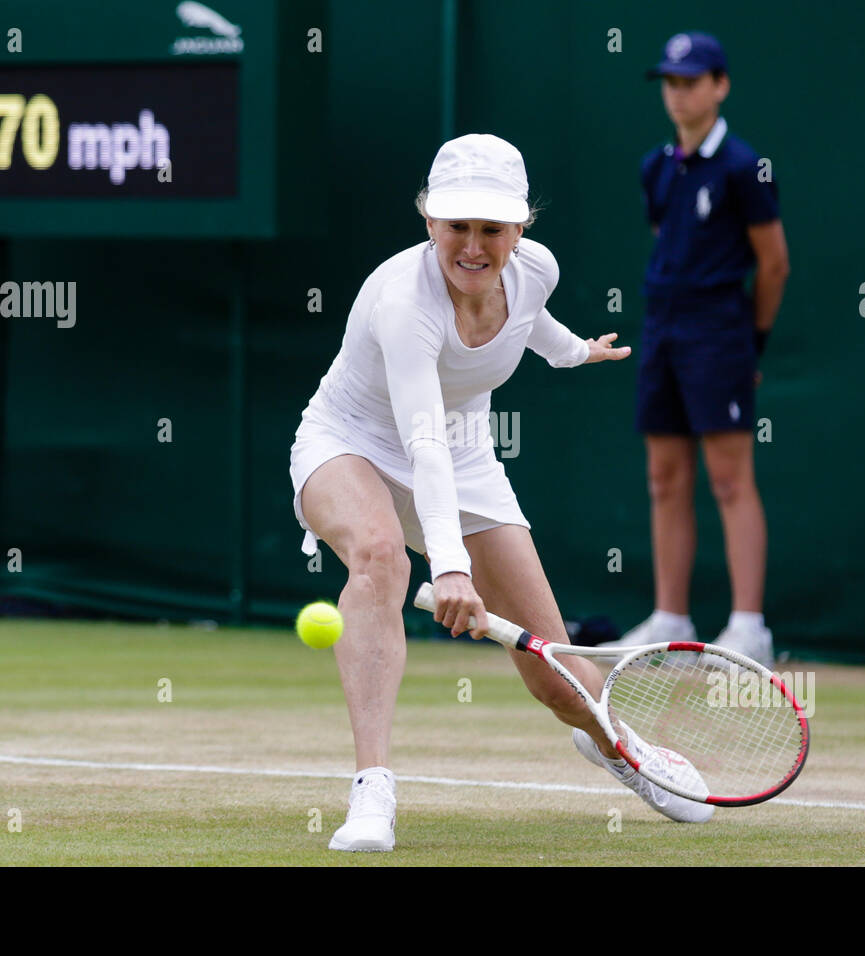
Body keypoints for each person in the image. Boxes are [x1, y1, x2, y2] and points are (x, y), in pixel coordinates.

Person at [289, 134, 715, 853]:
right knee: (381, 556)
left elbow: (529, 323)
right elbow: (419, 440)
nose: (475, 246)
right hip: (349, 442)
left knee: (558, 673)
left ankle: (617, 745)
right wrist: (449, 565)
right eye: (458, 225)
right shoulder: (404, 302)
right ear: (429, 221)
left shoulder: (536, 270)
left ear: (522, 229)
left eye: (494, 228)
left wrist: (576, 350)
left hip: (466, 458)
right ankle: (373, 788)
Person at [609, 32, 790, 667]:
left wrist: (751, 342)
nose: (678, 92)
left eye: (691, 80)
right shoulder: (655, 167)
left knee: (730, 479)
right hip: (662, 327)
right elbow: (671, 239)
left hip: (720, 332)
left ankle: (748, 627)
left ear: (721, 85)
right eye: (670, 82)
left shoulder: (744, 167)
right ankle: (671, 620)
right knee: (664, 477)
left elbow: (773, 265)